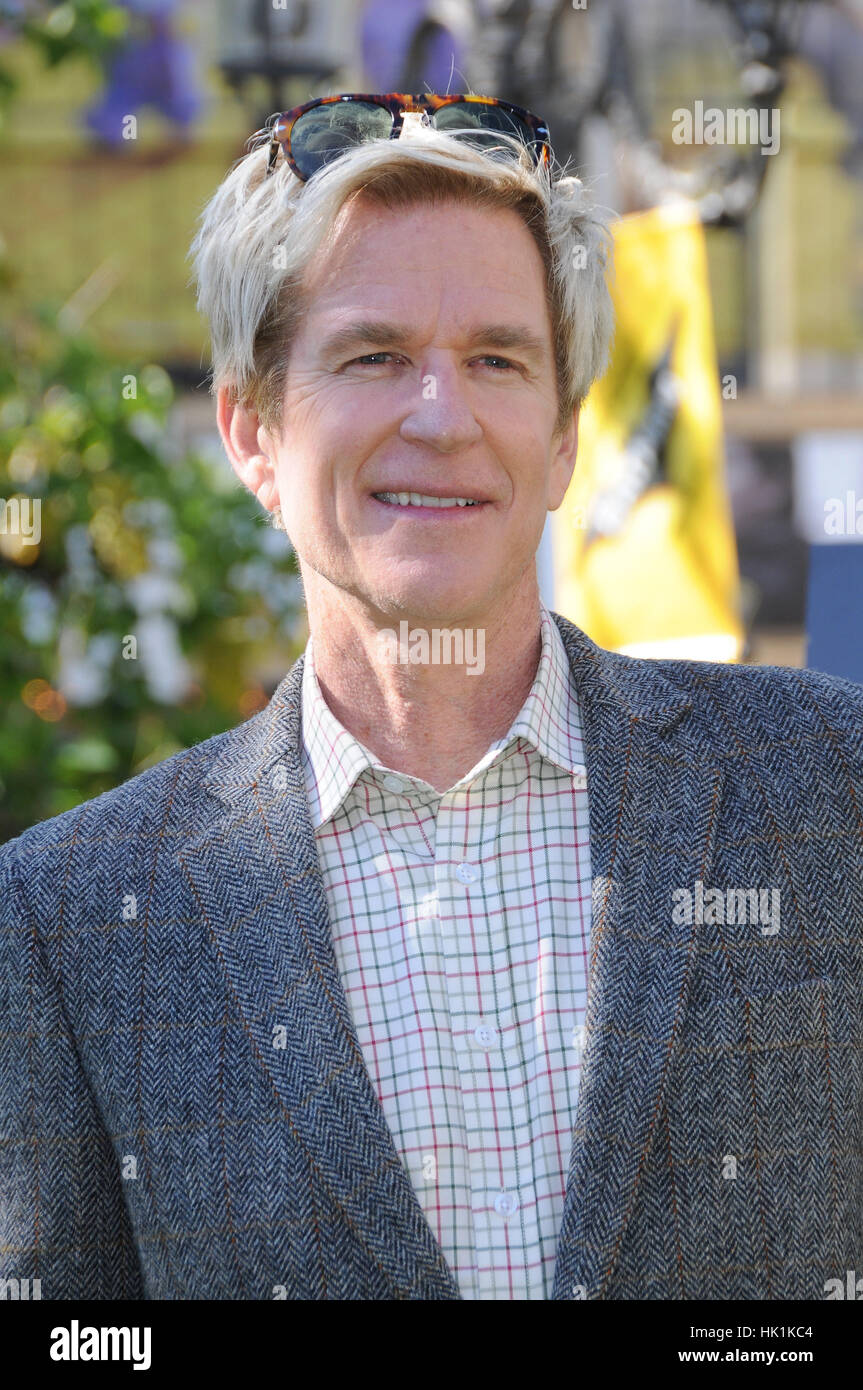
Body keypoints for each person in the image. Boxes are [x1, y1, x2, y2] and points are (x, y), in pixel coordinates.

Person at [2, 94, 862, 1302]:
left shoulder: (827, 779)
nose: (442, 417)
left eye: (497, 361)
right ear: (251, 430)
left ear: (563, 438)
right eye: (374, 356)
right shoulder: (75, 917)